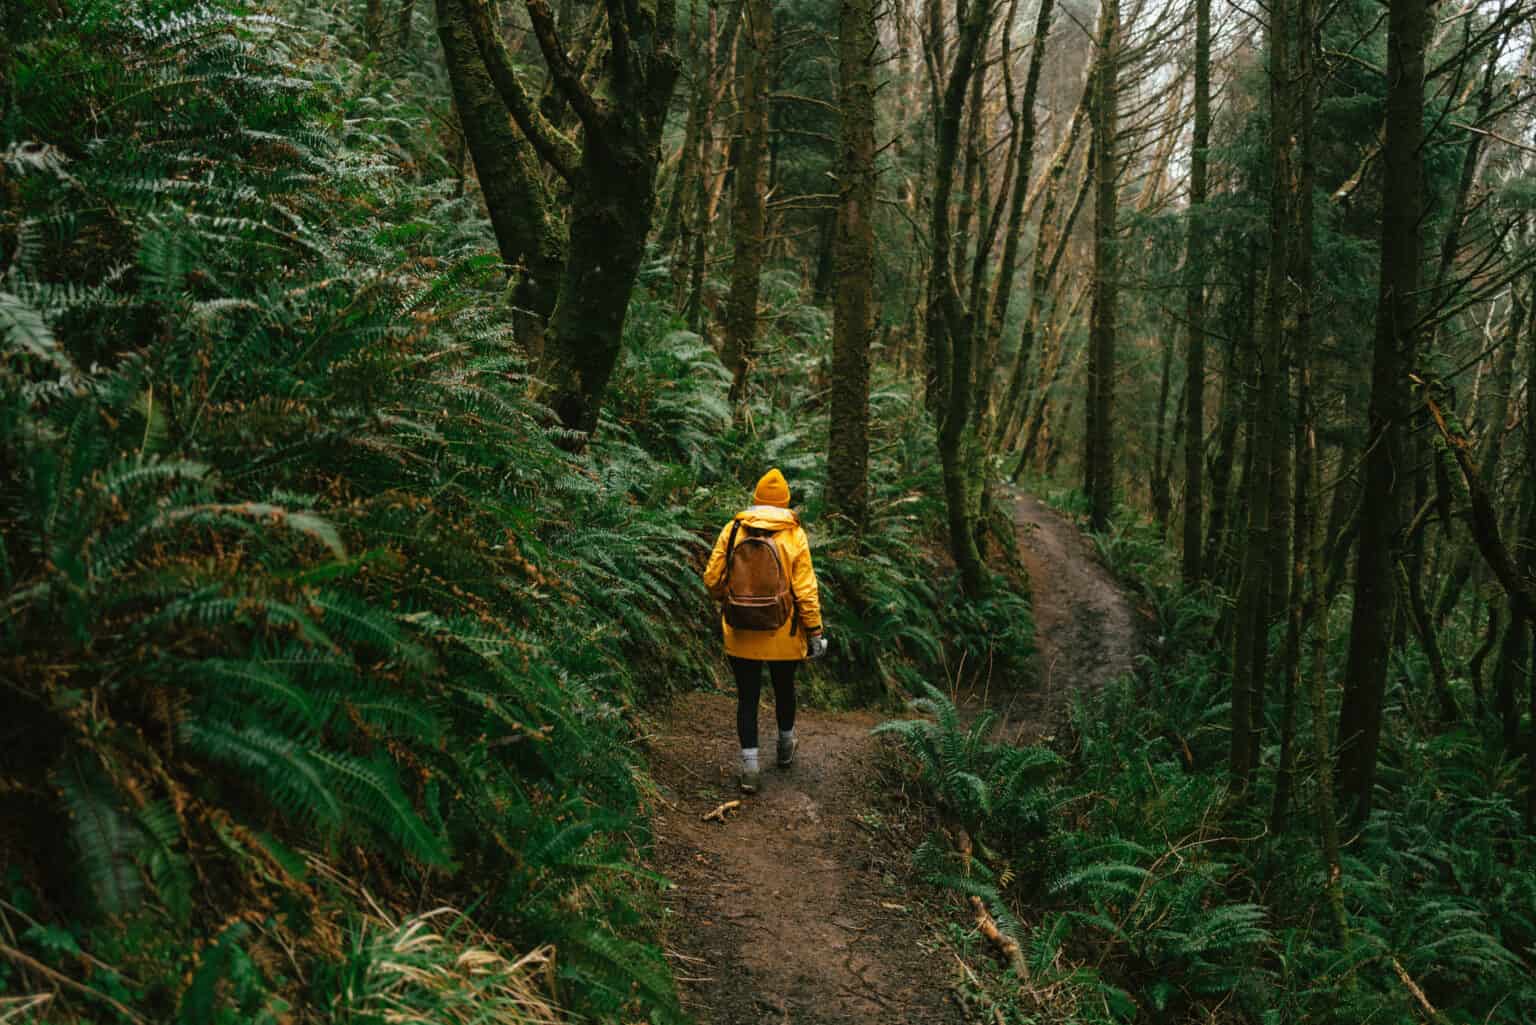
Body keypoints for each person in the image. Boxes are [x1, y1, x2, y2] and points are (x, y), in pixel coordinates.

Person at [702, 468, 827, 793]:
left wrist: (731, 601)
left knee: (747, 697)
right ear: (785, 502)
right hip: (783, 631)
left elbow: (712, 578)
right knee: (785, 689)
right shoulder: (794, 534)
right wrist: (814, 631)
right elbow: (805, 590)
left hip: (740, 629)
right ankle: (786, 747)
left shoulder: (733, 529)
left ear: (756, 500)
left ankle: (750, 770)